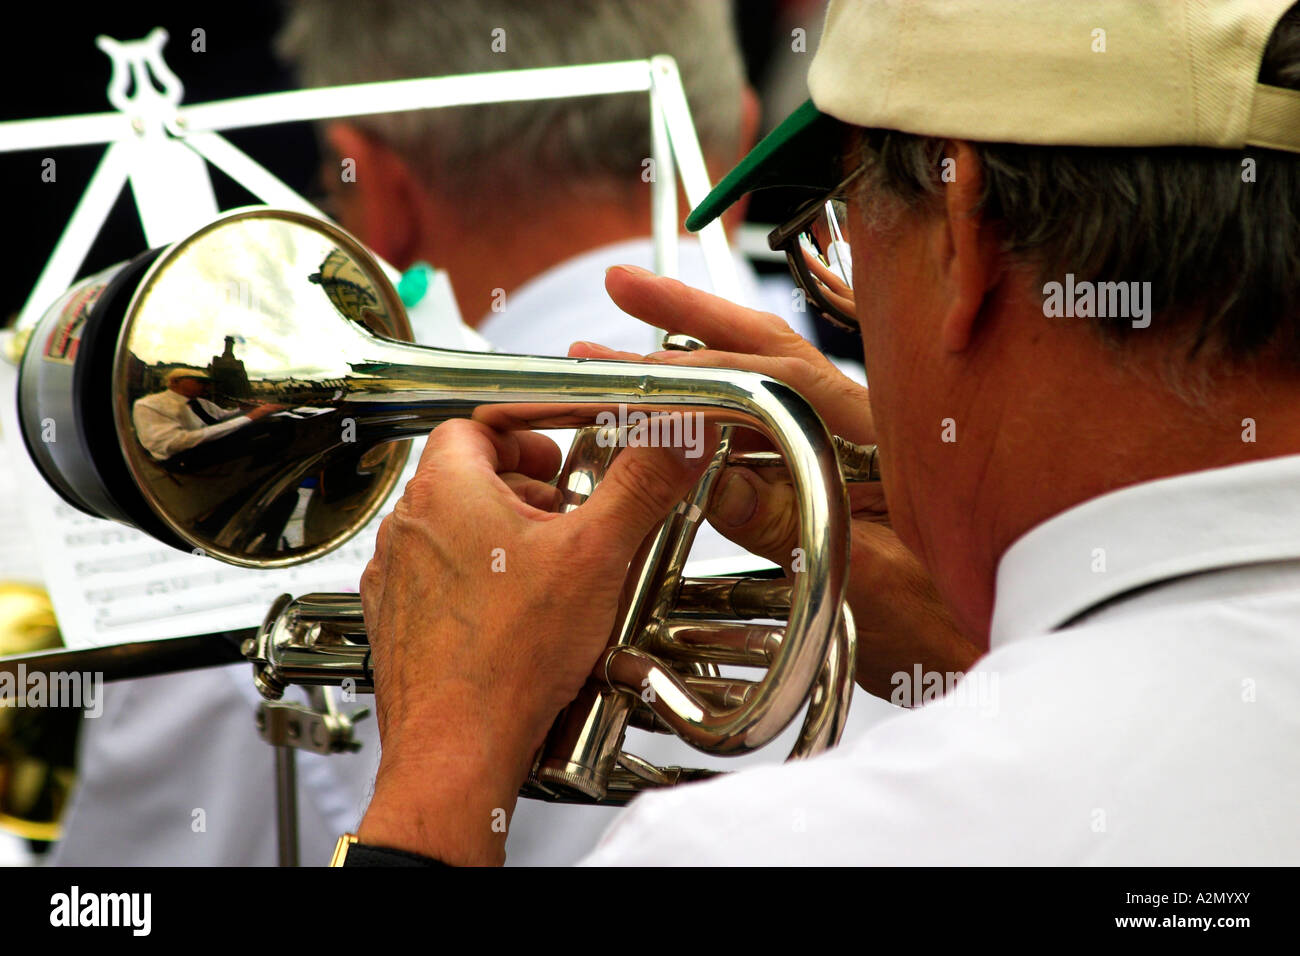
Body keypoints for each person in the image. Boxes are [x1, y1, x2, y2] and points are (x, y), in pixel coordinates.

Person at [342, 0, 1300, 865]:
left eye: (839, 224)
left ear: (962, 229)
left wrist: (444, 769)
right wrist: (985, 646)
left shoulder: (746, 853)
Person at [130, 368, 277, 465]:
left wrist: (241, 410)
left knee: (270, 427)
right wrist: (249, 417)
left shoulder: (200, 401)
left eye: (207, 383)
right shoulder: (148, 405)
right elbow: (173, 444)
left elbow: (220, 416)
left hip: (207, 446)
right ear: (175, 382)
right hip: (181, 458)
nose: (206, 387)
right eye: (200, 382)